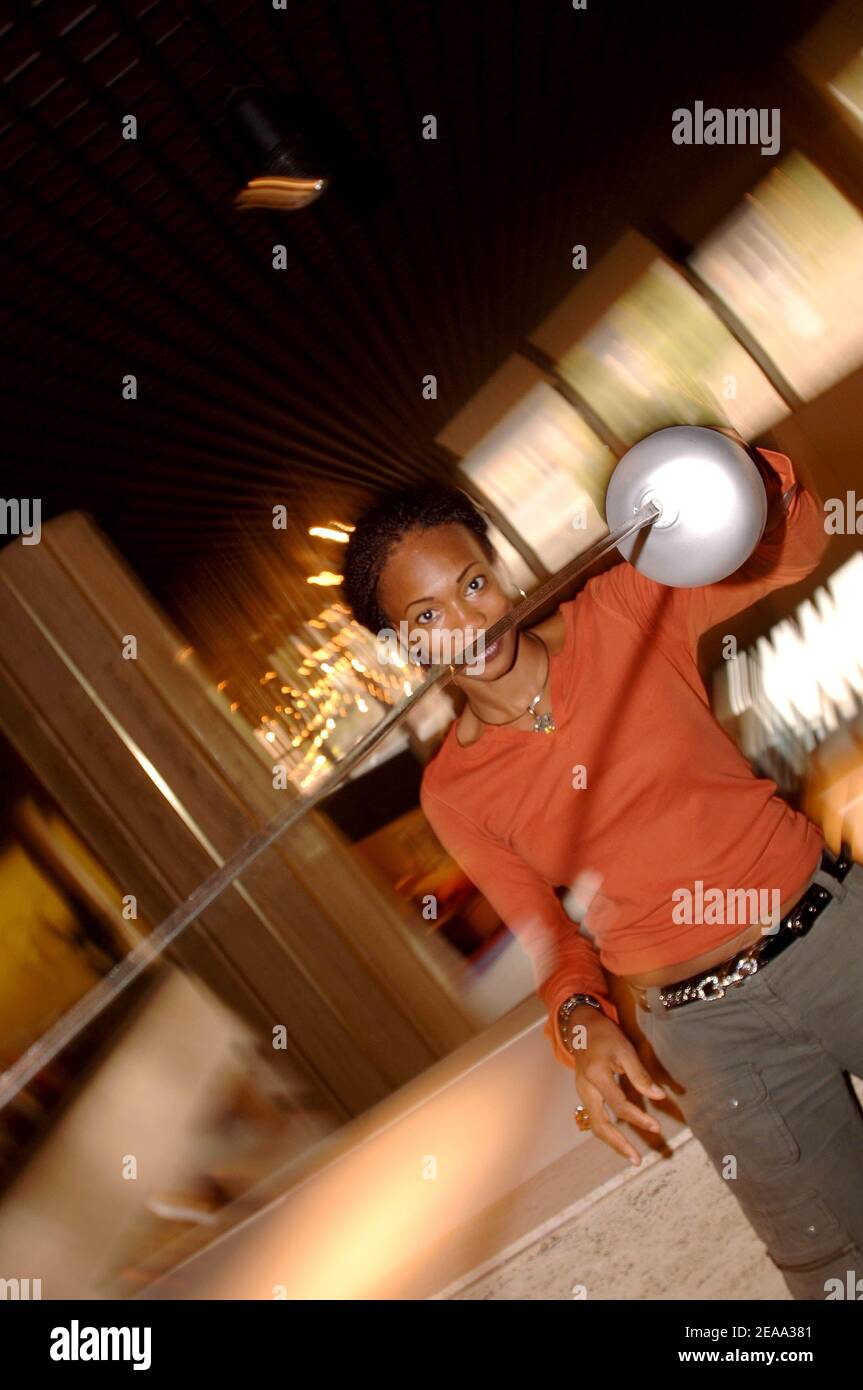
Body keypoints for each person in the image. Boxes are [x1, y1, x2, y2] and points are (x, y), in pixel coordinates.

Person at [341, 431, 863, 1299]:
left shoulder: (624, 606)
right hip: (707, 1039)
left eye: (471, 584)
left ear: (498, 570)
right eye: (425, 616)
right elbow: (551, 938)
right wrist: (580, 1021)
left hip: (829, 938)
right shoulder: (456, 790)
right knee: (834, 1275)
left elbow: (793, 550)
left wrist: (734, 470)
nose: (465, 624)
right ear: (403, 646)